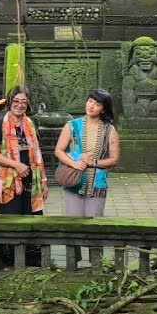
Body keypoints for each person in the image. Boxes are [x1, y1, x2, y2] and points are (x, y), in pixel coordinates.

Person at [0, 85, 46, 268]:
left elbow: (37, 153)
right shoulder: (1, 124)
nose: (20, 105)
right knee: (10, 219)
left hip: (32, 181)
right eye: (16, 101)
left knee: (32, 218)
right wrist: (16, 165)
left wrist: (43, 180)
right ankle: (7, 261)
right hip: (10, 182)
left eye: (23, 102)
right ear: (9, 102)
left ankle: (32, 261)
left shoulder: (30, 123)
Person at [54, 89, 121, 218]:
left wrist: (94, 162)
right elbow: (58, 150)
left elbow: (114, 159)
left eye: (97, 104)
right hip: (73, 180)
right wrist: (73, 163)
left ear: (103, 109)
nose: (91, 106)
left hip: (97, 184)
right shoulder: (72, 125)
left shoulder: (109, 130)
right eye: (90, 101)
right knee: (73, 222)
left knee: (94, 223)